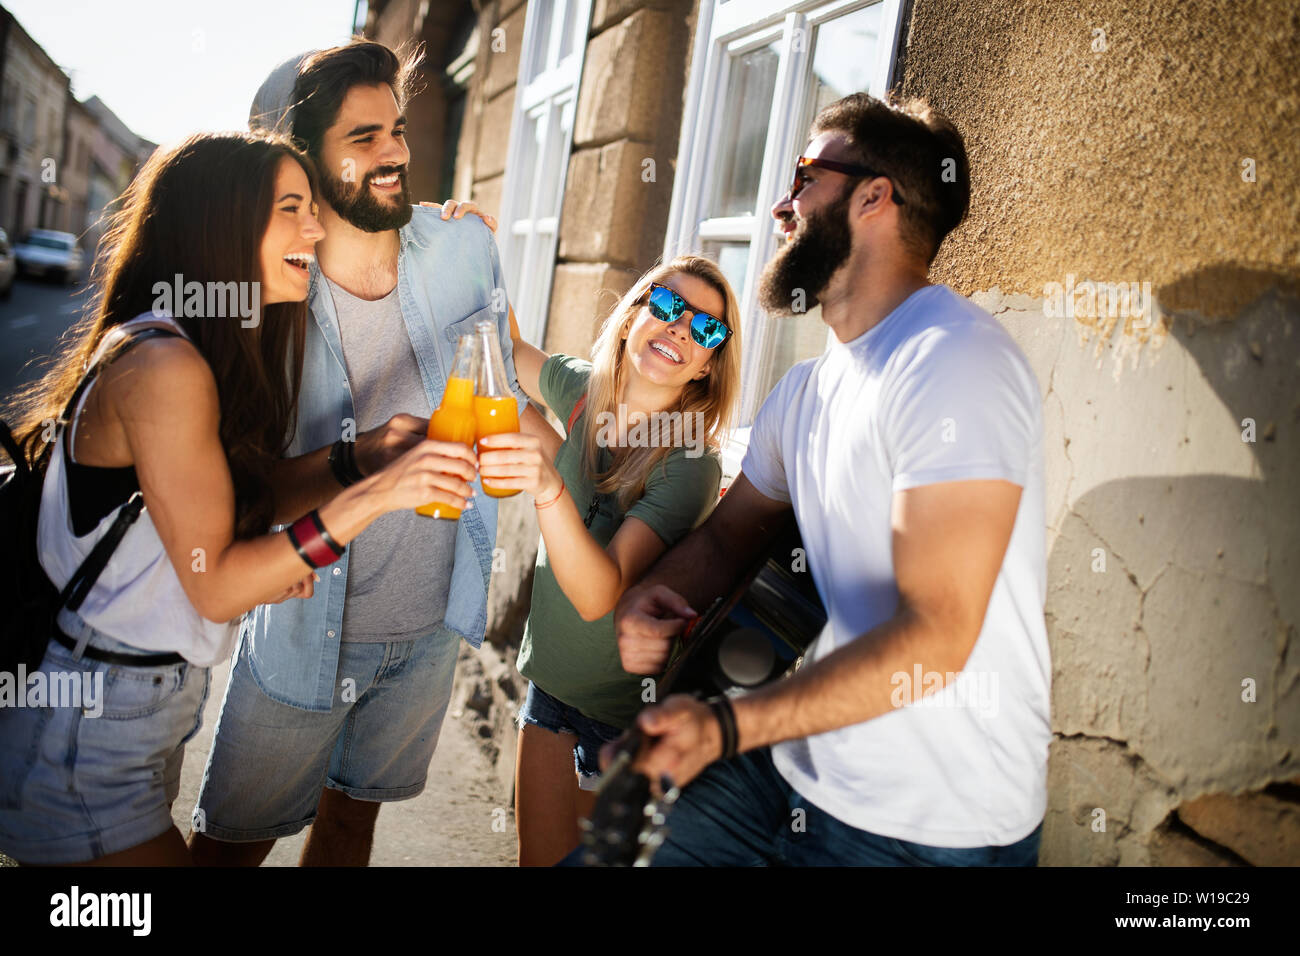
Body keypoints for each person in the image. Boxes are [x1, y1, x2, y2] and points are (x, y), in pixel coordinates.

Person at [601, 92, 1050, 866]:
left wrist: (726, 728)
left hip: (932, 824)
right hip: (797, 762)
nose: (782, 205)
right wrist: (652, 595)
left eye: (805, 175)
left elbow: (936, 638)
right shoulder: (807, 390)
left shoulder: (953, 361)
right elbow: (725, 544)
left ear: (873, 196)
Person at [0, 132, 472, 865]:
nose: (315, 229)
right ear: (224, 223)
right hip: (89, 728)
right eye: (292, 209)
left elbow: (232, 503)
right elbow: (218, 585)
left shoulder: (184, 350)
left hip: (131, 709)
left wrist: (358, 456)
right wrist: (375, 496)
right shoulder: (164, 366)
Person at [189, 40, 548, 867]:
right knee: (231, 849)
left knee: (353, 828)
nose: (394, 153)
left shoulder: (463, 248)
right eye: (363, 138)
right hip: (304, 622)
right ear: (303, 163)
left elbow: (513, 367)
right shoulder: (269, 292)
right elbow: (243, 495)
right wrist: (360, 462)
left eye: (397, 128)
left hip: (428, 626)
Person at [455, 244, 741, 866]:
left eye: (706, 328)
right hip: (549, 685)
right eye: (666, 304)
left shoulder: (689, 462)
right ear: (635, 312)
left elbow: (598, 596)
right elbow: (503, 352)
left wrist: (548, 483)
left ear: (707, 367)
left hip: (616, 719)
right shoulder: (583, 390)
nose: (680, 328)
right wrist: (473, 246)